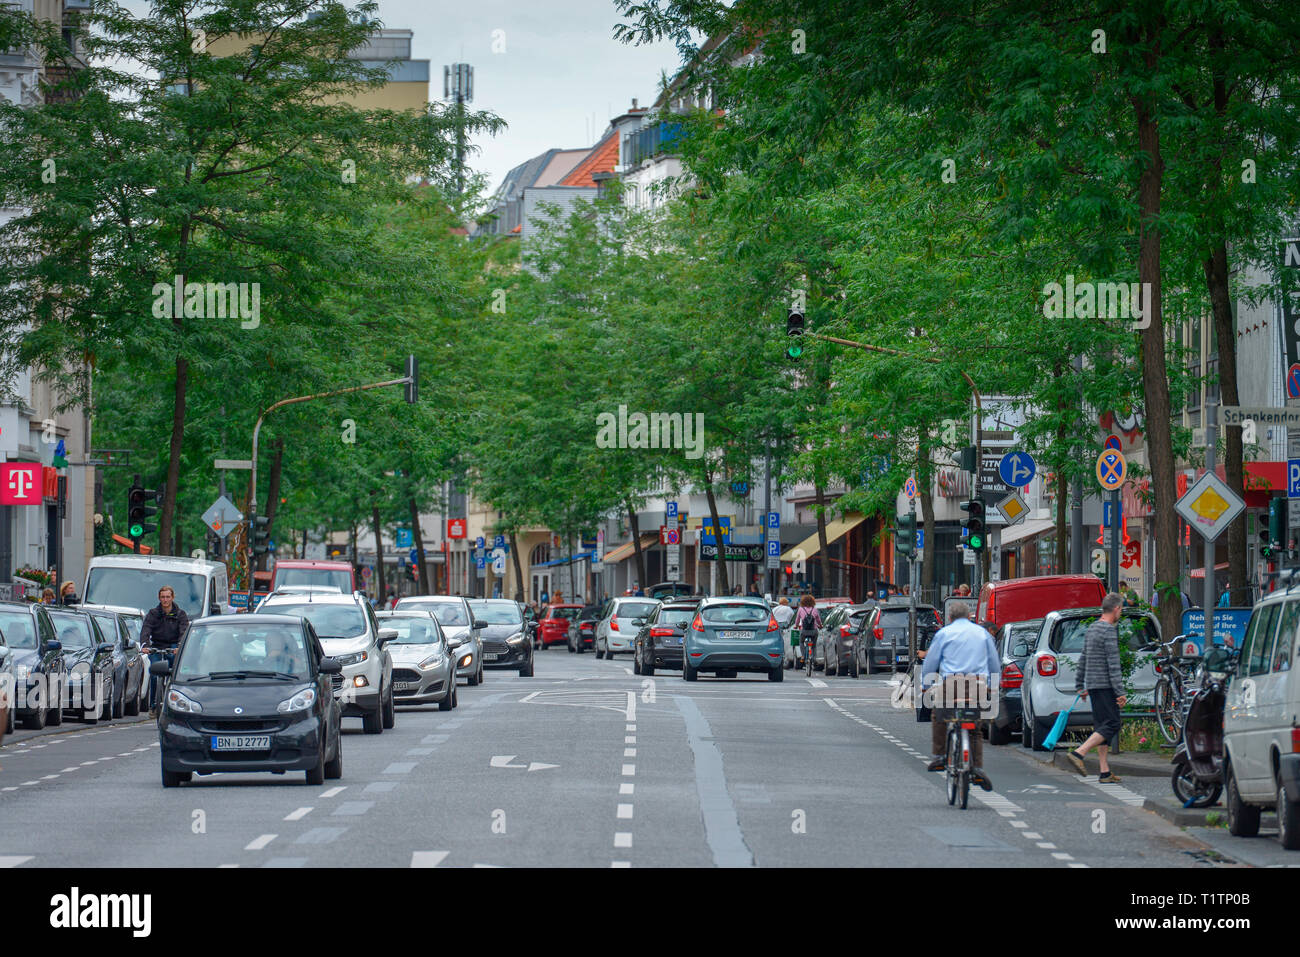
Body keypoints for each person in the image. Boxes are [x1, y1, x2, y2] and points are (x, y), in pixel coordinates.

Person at [921, 601, 998, 791]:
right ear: (969, 617)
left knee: (939, 715)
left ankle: (939, 756)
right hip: (977, 683)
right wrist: (993, 686)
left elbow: (931, 661)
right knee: (976, 728)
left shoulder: (944, 634)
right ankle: (977, 767)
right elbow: (993, 662)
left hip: (951, 683)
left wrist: (925, 685)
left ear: (950, 617)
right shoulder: (982, 634)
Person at [1064, 593, 1127, 783]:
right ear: (1116, 609)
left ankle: (1104, 771)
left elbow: (1083, 657)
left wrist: (1079, 684)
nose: (1121, 613)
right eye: (1121, 609)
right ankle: (1079, 752)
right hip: (1106, 685)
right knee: (1113, 724)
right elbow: (1113, 664)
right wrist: (1120, 691)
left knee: (1101, 726)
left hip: (1092, 684)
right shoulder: (1108, 630)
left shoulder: (1092, 628)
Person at [140, 586, 191, 715]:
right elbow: (146, 629)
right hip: (157, 646)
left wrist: (179, 646)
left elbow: (184, 631)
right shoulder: (153, 613)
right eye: (163, 597)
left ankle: (175, 701)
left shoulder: (181, 614)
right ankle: (153, 705)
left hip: (173, 647)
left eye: (168, 597)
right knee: (154, 673)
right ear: (159, 598)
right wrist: (145, 645)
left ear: (172, 597)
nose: (165, 600)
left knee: (175, 672)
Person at [793, 595, 822, 665]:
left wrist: (796, 626)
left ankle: (803, 656)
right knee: (814, 645)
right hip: (813, 631)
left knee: (801, 642)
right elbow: (818, 620)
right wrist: (820, 625)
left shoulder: (800, 609)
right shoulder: (814, 609)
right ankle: (814, 658)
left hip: (804, 631)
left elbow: (797, 619)